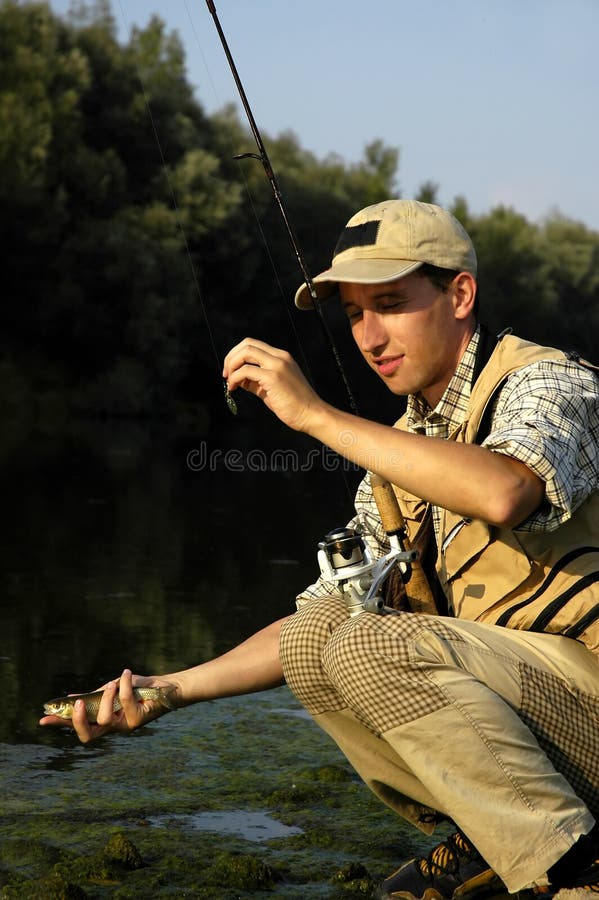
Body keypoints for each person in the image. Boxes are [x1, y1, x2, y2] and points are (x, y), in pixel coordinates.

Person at [41, 199, 599, 900]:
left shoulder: (551, 381)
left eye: (390, 304)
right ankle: (499, 836)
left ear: (460, 295)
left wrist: (314, 415)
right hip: (549, 726)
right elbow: (317, 618)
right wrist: (166, 691)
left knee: (371, 646)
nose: (369, 336)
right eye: (355, 314)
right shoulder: (394, 458)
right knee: (317, 636)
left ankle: (574, 875)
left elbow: (504, 492)